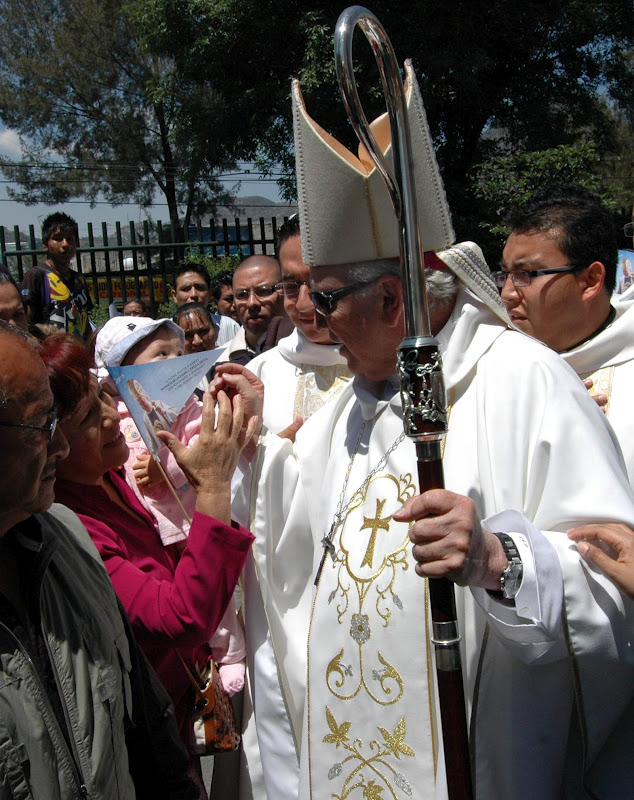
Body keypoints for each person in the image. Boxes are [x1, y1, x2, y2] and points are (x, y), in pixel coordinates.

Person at [224, 66, 634, 800]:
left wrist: (498, 561)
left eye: (324, 297)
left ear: (391, 297)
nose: (307, 317)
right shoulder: (337, 420)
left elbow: (615, 594)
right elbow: (281, 571)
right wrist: (228, 463)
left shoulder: (526, 383)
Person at [44, 333, 256, 797]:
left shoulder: (112, 477)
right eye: (85, 418)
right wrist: (214, 489)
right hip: (140, 735)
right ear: (51, 446)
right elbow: (179, 617)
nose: (109, 416)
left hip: (176, 706)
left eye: (102, 395)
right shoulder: (72, 525)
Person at [0, 320, 199, 799]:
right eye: (42, 427)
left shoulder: (67, 540)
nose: (61, 447)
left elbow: (148, 733)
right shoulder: (82, 523)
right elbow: (179, 615)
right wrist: (212, 490)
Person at [236, 216, 351, 799]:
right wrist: (255, 450)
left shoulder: (392, 363)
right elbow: (231, 500)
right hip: (284, 589)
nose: (305, 302)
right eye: (290, 285)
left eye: (319, 283)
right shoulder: (261, 373)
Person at [500, 183, 634, 487]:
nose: (507, 293)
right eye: (505, 274)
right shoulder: (497, 372)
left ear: (590, 280)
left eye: (526, 274)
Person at [21, 211, 93, 339]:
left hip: (77, 353)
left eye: (70, 239)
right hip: (50, 354)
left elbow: (84, 322)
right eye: (58, 238)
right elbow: (25, 322)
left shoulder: (79, 280)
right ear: (45, 244)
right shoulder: (37, 275)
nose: (65, 244)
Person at [171, 261, 239, 346]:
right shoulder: (164, 333)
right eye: (186, 289)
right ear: (174, 296)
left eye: (200, 288)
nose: (193, 294)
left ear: (210, 294)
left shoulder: (229, 326)